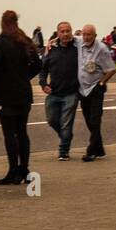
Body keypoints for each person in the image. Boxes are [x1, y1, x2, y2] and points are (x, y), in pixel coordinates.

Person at [0, 10, 41, 184]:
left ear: (2, 23)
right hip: (23, 92)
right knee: (22, 131)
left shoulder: (0, 42)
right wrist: (25, 77)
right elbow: (38, 64)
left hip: (5, 94)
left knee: (9, 133)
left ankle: (13, 170)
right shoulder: (25, 41)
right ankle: (24, 168)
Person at [39, 21, 80, 159]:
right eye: (62, 31)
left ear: (71, 32)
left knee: (66, 122)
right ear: (58, 33)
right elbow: (43, 70)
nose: (65, 33)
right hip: (54, 92)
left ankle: (64, 151)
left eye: (68, 31)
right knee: (52, 120)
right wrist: (43, 84)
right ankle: (66, 136)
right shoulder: (51, 50)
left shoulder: (78, 48)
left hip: (71, 93)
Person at [76, 24, 116, 161]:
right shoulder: (79, 41)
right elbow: (67, 37)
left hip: (95, 89)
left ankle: (91, 151)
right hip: (83, 90)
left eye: (89, 35)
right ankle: (99, 149)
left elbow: (111, 69)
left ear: (95, 36)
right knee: (88, 120)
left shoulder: (102, 49)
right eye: (84, 34)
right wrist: (53, 41)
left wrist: (101, 83)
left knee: (95, 119)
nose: (86, 37)